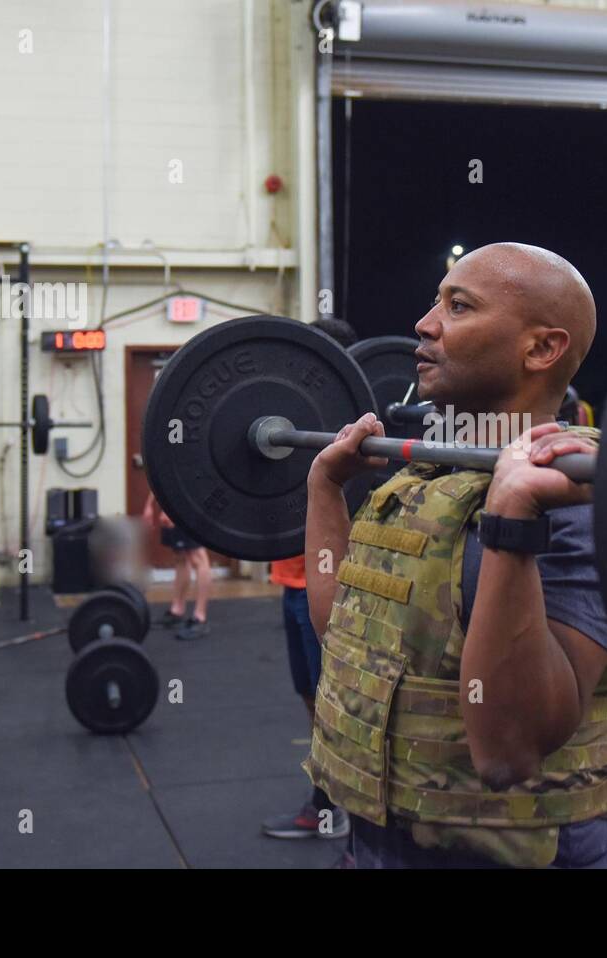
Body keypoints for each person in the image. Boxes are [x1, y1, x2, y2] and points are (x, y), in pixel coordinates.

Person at [301, 244, 607, 869]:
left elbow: (508, 752)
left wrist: (512, 518)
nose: (424, 324)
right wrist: (324, 488)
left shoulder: (574, 503)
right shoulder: (423, 480)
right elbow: (344, 634)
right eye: (435, 302)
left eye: (459, 306)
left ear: (541, 349)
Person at [262, 316, 358, 850]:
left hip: (326, 586)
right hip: (290, 577)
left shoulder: (349, 430)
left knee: (335, 699)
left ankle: (343, 815)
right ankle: (329, 798)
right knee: (309, 694)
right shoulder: (291, 416)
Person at [141, 491, 210, 640]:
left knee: (197, 556)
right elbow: (162, 478)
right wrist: (149, 503)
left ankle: (200, 617)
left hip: (191, 503)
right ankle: (177, 611)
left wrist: (170, 510)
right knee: (180, 555)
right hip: (173, 503)